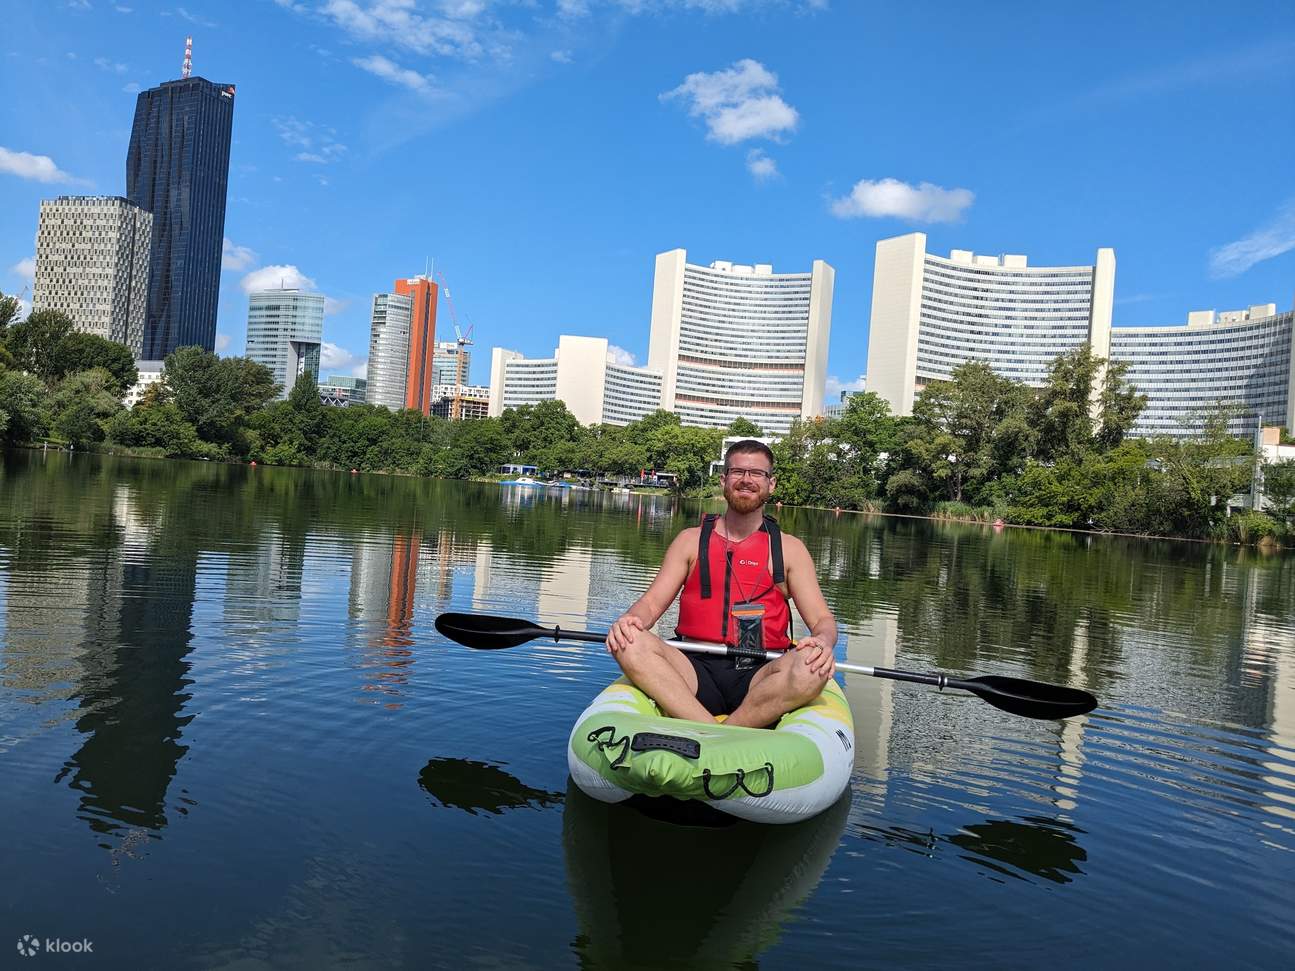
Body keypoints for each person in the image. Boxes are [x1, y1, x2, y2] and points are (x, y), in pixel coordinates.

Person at [606, 439, 837, 728]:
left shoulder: (790, 550)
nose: (746, 480)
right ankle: (715, 731)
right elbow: (651, 604)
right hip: (692, 667)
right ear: (723, 480)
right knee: (629, 641)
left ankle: (723, 731)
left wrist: (823, 641)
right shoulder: (689, 541)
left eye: (757, 473)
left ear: (771, 484)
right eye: (738, 471)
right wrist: (631, 620)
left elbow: (822, 620)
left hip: (761, 673)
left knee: (812, 665)